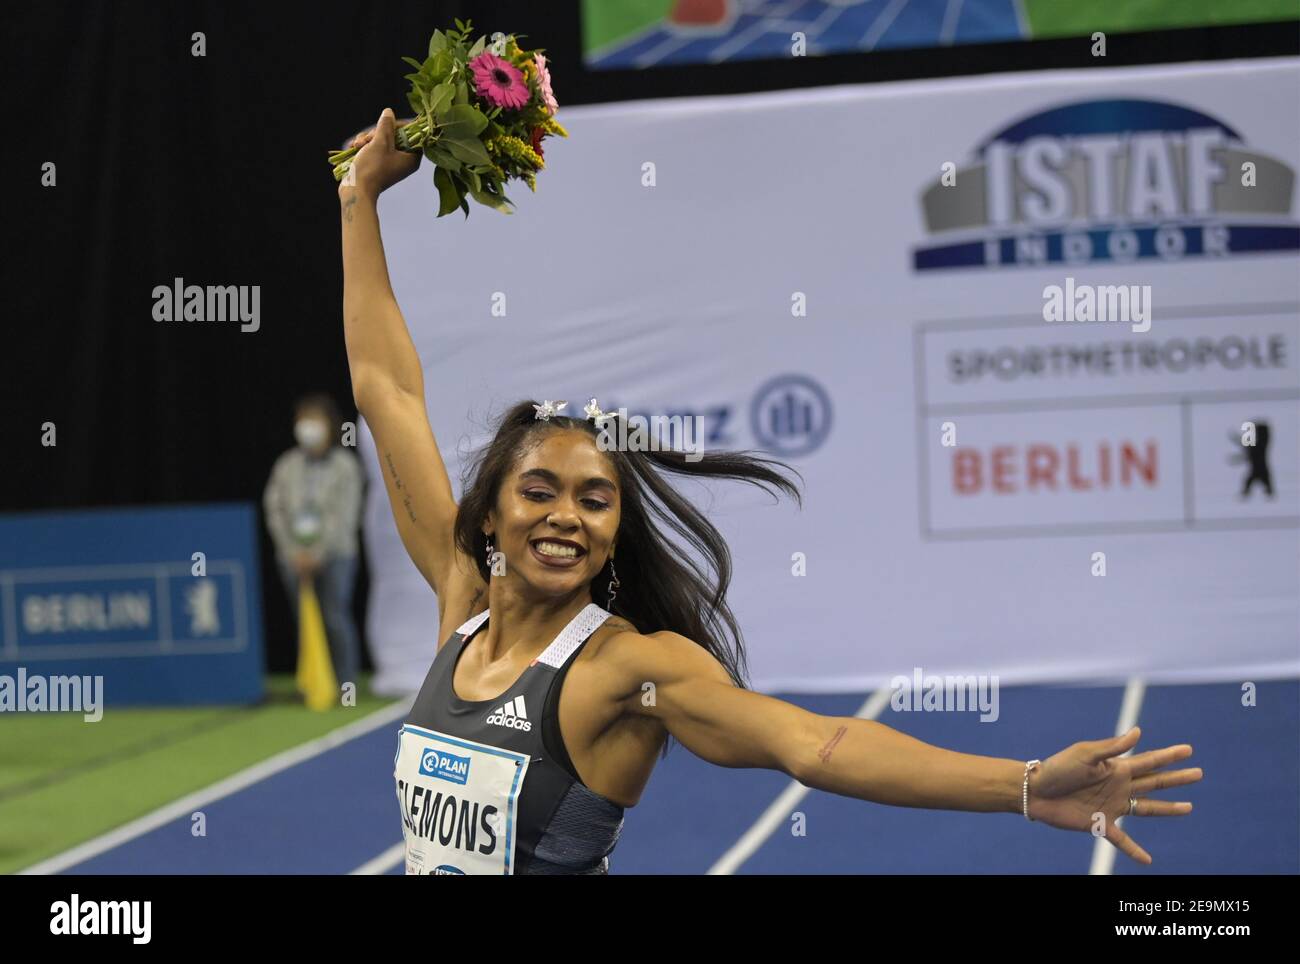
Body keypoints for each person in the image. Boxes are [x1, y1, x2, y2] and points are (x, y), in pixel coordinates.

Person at [340, 109, 1203, 875]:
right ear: (489, 513)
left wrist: (1021, 786)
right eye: (539, 490)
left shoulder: (628, 672)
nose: (567, 515)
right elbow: (387, 389)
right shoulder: (463, 609)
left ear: (614, 533)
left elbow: (814, 745)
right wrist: (359, 200)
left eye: (596, 501)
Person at [263, 393, 366, 689]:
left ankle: (346, 683)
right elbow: (275, 510)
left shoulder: (344, 465)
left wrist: (318, 552)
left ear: (329, 425)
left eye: (315, 420)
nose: (308, 427)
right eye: (303, 420)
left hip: (337, 555)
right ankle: (312, 684)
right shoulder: (287, 465)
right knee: (305, 620)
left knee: (335, 617)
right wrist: (293, 551)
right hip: (293, 559)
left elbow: (345, 515)